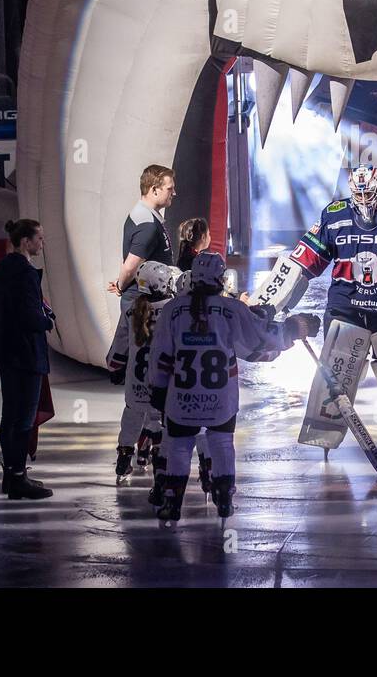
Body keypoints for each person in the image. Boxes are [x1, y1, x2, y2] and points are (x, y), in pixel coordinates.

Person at [252, 163, 377, 451]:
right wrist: (270, 302)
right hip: (345, 310)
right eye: (357, 192)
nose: (363, 198)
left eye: (368, 191)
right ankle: (323, 431)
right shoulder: (334, 215)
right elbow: (303, 260)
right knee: (336, 375)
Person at [150, 251, 319, 522]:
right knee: (222, 443)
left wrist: (157, 391)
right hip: (220, 400)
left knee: (179, 447)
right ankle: (225, 498)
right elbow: (259, 339)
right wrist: (293, 329)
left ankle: (171, 501)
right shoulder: (231, 309)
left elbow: (160, 355)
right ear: (221, 277)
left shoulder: (172, 310)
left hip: (181, 398)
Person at [0, 218, 56, 500]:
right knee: (23, 417)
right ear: (25, 241)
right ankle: (17, 478)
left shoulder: (2, 269)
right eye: (39, 238)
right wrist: (47, 321)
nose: (42, 242)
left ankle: (13, 474)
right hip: (24, 353)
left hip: (6, 352)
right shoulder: (24, 273)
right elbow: (29, 317)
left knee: (10, 414)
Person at [106, 164, 176, 379]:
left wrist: (122, 283)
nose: (174, 192)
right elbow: (131, 264)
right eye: (170, 188)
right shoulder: (147, 223)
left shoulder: (146, 216)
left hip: (141, 298)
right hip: (143, 303)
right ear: (154, 189)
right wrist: (121, 284)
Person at [115, 260, 180, 487]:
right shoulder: (174, 310)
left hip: (135, 384)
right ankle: (160, 470)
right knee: (160, 423)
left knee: (131, 421)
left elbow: (117, 348)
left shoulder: (131, 309)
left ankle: (123, 459)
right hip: (162, 385)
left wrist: (115, 367)